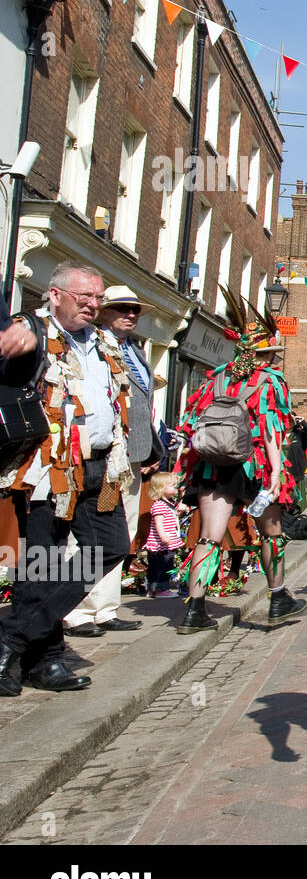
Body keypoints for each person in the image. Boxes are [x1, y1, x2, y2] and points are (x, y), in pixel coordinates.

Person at [0, 263, 136, 694]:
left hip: (105, 465)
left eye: (98, 298)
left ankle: (12, 639)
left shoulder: (103, 344)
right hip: (52, 467)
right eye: (85, 297)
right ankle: (47, 660)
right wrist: (19, 334)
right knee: (44, 560)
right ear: (55, 295)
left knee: (112, 546)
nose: (94, 305)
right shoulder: (34, 330)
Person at [173, 287, 306, 634]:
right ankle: (278, 599)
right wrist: (277, 472)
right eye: (272, 354)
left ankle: (195, 609)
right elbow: (272, 429)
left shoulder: (215, 377)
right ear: (264, 355)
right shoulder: (269, 381)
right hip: (256, 467)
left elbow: (193, 423)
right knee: (271, 534)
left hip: (213, 465)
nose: (275, 360)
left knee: (209, 537)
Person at [63, 285, 170, 636]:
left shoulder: (135, 350)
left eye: (135, 310)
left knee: (118, 534)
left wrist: (151, 450)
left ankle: (106, 608)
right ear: (103, 312)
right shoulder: (94, 346)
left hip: (132, 459)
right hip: (103, 458)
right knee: (87, 535)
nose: (131, 315)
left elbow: (141, 404)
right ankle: (76, 610)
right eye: (122, 308)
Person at [142, 471, 183, 598]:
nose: (175, 487)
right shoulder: (160, 505)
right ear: (161, 489)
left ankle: (152, 589)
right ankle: (161, 589)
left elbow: (175, 511)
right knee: (163, 566)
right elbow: (158, 523)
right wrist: (163, 536)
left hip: (163, 543)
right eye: (172, 485)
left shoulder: (169, 503)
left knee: (157, 566)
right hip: (161, 544)